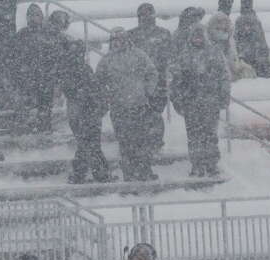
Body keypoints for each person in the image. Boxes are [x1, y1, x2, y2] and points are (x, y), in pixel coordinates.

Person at [96, 28, 159, 182]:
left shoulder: (139, 55)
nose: (118, 42)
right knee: (125, 143)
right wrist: (107, 95)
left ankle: (145, 172)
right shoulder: (106, 60)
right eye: (114, 39)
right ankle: (129, 175)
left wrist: (147, 90)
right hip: (119, 108)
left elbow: (152, 73)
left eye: (121, 39)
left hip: (139, 105)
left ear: (127, 39)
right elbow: (98, 81)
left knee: (142, 141)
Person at [170, 24, 232, 177]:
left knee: (210, 134)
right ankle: (197, 164)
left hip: (211, 101)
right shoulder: (183, 55)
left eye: (200, 36)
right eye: (195, 36)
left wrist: (224, 95)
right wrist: (176, 99)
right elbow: (175, 80)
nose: (197, 39)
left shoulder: (215, 53)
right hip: (191, 102)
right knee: (194, 136)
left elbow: (224, 76)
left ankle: (211, 164)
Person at [59, 39, 111, 184]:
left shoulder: (81, 68)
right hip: (82, 111)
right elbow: (73, 90)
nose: (78, 55)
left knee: (88, 144)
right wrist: (91, 97)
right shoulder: (71, 69)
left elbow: (90, 88)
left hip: (86, 110)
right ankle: (95, 173)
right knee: (89, 144)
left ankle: (85, 174)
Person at [127, 3, 172, 154]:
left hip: (159, 81)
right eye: (143, 14)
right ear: (138, 17)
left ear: (154, 15)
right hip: (137, 82)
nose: (146, 17)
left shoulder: (164, 34)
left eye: (149, 13)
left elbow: (170, 58)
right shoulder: (130, 35)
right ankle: (141, 144)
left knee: (155, 113)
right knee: (139, 114)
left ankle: (156, 144)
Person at [13, 3, 58, 132]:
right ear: (27, 18)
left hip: (45, 78)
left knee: (44, 109)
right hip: (28, 79)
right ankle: (28, 131)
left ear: (42, 17)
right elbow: (15, 56)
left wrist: (51, 73)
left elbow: (54, 55)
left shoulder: (49, 34)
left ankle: (45, 130)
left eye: (36, 15)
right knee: (28, 110)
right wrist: (21, 72)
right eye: (30, 15)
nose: (33, 18)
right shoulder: (22, 34)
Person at [235, 0, 270, 78]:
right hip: (249, 58)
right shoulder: (244, 24)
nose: (247, 28)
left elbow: (263, 48)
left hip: (254, 57)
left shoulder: (253, 24)